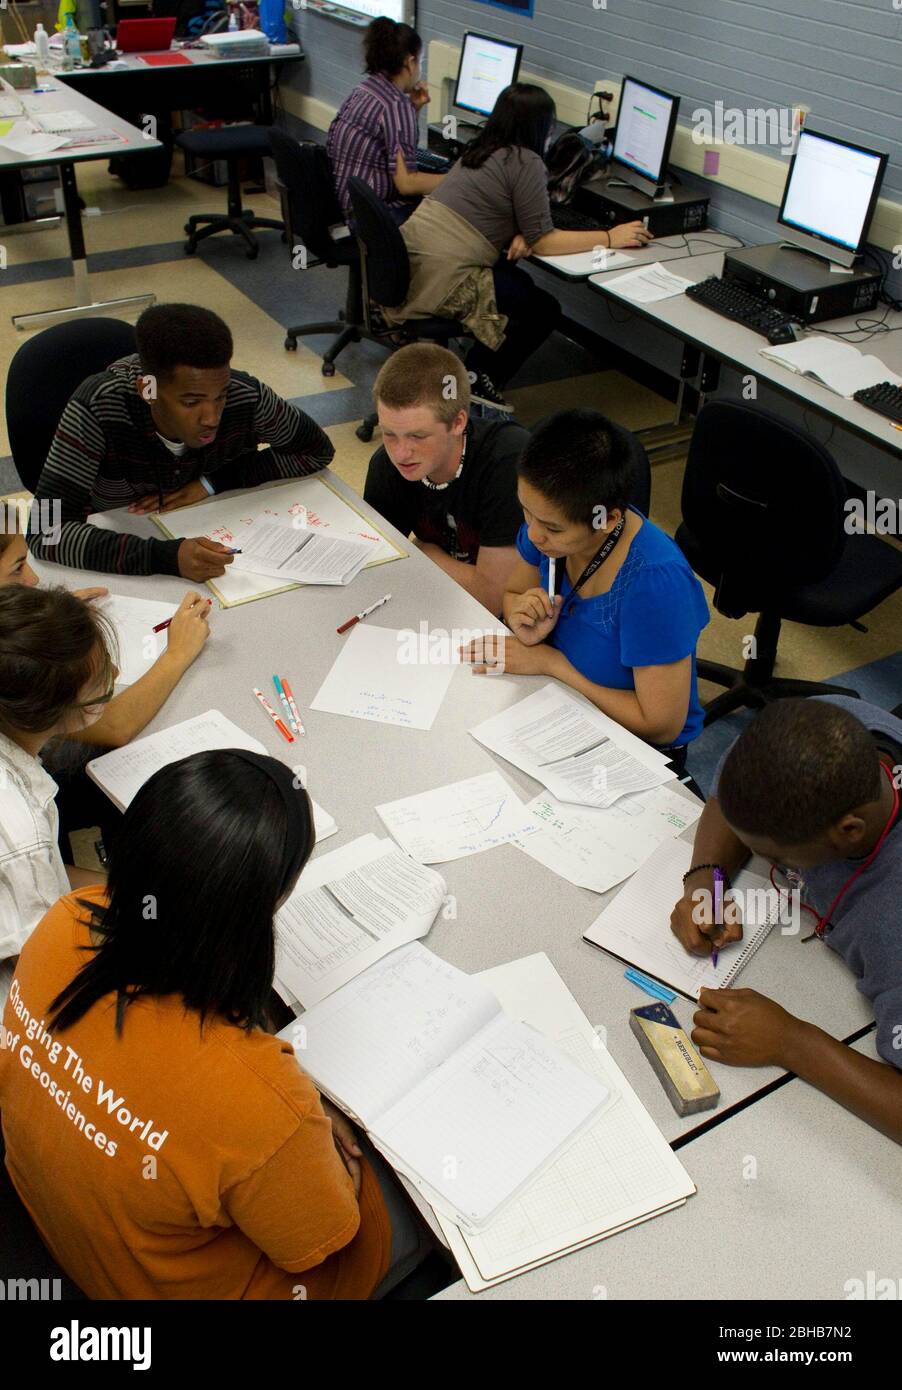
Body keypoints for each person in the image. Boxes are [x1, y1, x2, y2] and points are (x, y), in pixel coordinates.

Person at [0, 750, 432, 1298]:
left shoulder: (63, 921)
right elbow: (325, 1235)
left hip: (68, 1228)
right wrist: (307, 1131)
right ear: (274, 899)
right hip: (168, 1279)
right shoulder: (257, 1099)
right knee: (409, 1197)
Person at [669, 696, 902, 1146]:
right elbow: (728, 800)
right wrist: (705, 879)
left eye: (776, 856)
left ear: (848, 830)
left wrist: (791, 1043)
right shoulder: (822, 724)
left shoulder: (891, 925)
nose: (764, 861)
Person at [462, 409, 709, 768]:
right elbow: (514, 593)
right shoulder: (547, 528)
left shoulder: (655, 584)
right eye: (525, 512)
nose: (532, 535)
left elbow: (661, 725)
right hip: (556, 707)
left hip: (633, 747)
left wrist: (551, 663)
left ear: (607, 520)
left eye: (552, 528)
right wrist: (521, 618)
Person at [382, 84, 652, 409]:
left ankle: (476, 368)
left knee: (520, 284)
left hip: (416, 260)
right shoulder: (526, 162)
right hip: (442, 278)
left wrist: (525, 229)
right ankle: (479, 379)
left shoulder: (480, 148)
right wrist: (610, 237)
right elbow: (546, 242)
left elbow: (503, 209)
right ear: (540, 129)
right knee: (543, 309)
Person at [28, 303, 335, 581]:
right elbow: (45, 532)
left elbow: (315, 451)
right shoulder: (97, 406)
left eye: (220, 397)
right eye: (191, 402)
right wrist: (165, 557)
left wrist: (213, 482)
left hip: (219, 538)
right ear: (147, 390)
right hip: (122, 544)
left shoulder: (246, 395)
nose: (212, 417)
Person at [0, 586, 119, 997]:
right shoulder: (21, 827)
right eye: (103, 677)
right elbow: (43, 974)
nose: (115, 678)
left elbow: (36, 877)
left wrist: (132, 891)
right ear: (54, 709)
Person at [363, 344, 528, 614]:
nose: (401, 453)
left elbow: (494, 600)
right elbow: (378, 567)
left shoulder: (506, 463)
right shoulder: (386, 466)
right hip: (442, 601)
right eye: (389, 434)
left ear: (457, 423)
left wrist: (424, 553)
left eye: (418, 436)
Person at [326, 17, 444, 223]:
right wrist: (457, 180)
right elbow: (407, 184)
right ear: (410, 62)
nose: (420, 70)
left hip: (343, 203)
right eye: (421, 62)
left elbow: (392, 140)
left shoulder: (365, 90)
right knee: (443, 214)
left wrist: (414, 108)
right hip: (372, 217)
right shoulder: (396, 105)